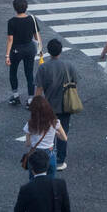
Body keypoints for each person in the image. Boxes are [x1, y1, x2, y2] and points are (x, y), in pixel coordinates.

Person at [36, 39, 79, 168]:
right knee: (63, 131)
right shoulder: (69, 65)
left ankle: (48, 157)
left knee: (48, 132)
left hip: (49, 106)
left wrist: (35, 105)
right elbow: (75, 82)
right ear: (60, 51)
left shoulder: (43, 68)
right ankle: (60, 159)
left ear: (49, 51)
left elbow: (39, 89)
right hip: (66, 104)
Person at [5, 0, 40, 105]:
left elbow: (10, 40)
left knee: (13, 72)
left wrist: (7, 55)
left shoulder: (11, 22)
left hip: (16, 49)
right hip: (30, 48)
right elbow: (37, 36)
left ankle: (15, 96)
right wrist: (40, 49)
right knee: (29, 73)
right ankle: (30, 99)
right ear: (26, 7)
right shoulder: (32, 19)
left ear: (15, 8)